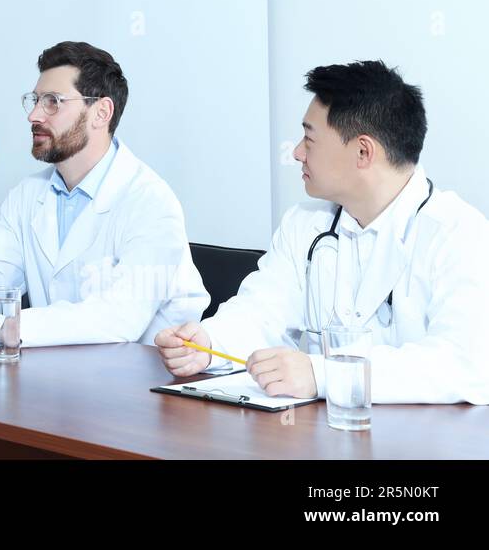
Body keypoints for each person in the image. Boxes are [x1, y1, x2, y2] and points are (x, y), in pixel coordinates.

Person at [156, 60, 489, 404]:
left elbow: (467, 363)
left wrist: (322, 374)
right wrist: (208, 343)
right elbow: (262, 310)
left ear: (363, 151)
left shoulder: (459, 233)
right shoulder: (305, 223)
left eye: (309, 139)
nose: (298, 152)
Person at [0, 41, 208, 349]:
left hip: (143, 385)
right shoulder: (28, 194)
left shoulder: (150, 201)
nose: (34, 116)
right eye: (35, 100)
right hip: (58, 374)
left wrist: (2, 325)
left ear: (101, 112)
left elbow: (119, 316)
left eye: (53, 101)